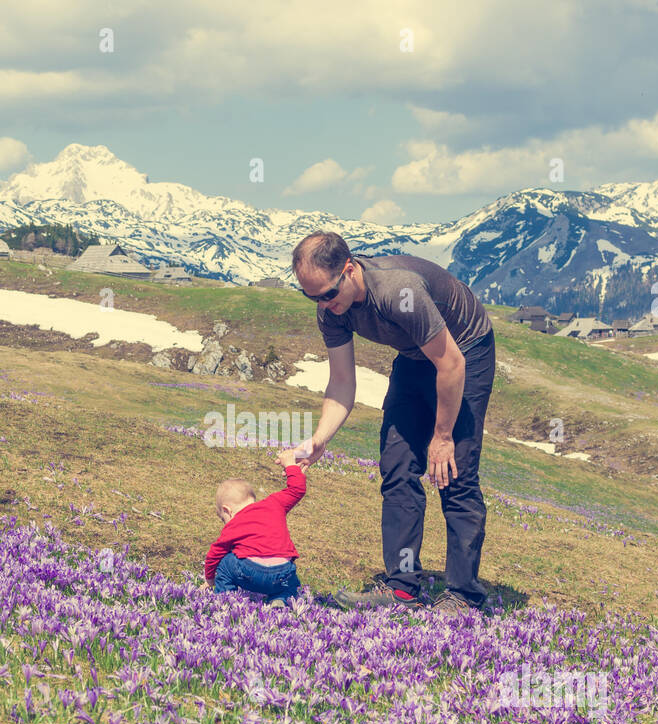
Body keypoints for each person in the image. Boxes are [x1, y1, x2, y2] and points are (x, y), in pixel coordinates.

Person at [290, 231, 494, 616]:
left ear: (348, 270)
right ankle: (402, 588)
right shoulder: (330, 307)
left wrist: (443, 436)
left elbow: (450, 364)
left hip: (463, 352)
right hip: (415, 357)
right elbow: (342, 382)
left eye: (328, 294)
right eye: (311, 296)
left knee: (454, 471)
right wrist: (320, 439)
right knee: (398, 466)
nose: (323, 304)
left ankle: (464, 596)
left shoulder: (399, 293)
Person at [204, 448, 306, 605]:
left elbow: (214, 554)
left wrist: (210, 578)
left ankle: (224, 600)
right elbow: (297, 489)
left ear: (227, 510)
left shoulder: (234, 523)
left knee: (224, 562)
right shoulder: (275, 503)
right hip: (282, 572)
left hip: (250, 572)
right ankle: (281, 598)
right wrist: (290, 465)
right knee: (291, 582)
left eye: (222, 518)